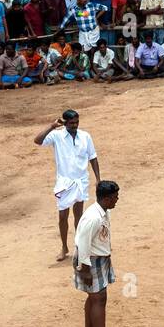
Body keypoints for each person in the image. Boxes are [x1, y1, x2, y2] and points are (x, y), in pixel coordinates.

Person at [35, 109, 101, 261]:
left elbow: (93, 157)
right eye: (71, 123)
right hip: (64, 182)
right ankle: (64, 247)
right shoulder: (57, 136)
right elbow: (37, 141)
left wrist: (98, 178)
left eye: (77, 122)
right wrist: (52, 126)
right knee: (63, 216)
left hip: (81, 180)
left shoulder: (85, 136)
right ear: (64, 123)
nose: (75, 125)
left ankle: (80, 246)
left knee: (79, 215)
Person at [74, 179, 121, 327]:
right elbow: (82, 244)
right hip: (90, 261)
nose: (117, 200)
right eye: (115, 197)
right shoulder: (93, 218)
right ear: (107, 198)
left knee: (94, 297)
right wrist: (84, 270)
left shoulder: (102, 211)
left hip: (99, 259)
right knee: (99, 298)